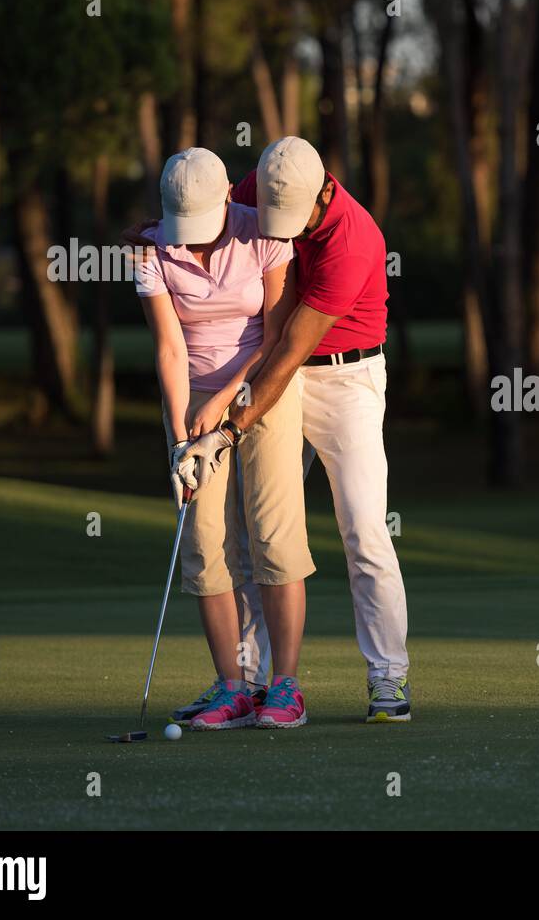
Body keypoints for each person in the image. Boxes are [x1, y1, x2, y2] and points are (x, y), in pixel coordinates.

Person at [176, 137, 413, 723]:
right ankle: (250, 682)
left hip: (344, 380)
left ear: (323, 190)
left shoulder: (355, 240)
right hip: (267, 376)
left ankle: (388, 679)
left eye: (294, 222)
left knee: (363, 531)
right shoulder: (263, 185)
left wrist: (226, 432)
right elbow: (216, 219)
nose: (281, 234)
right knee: (262, 532)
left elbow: (290, 350)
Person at [136, 146, 315, 730]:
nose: (193, 242)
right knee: (204, 540)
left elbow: (276, 334)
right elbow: (168, 347)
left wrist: (224, 401)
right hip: (191, 403)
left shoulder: (261, 234)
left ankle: (285, 687)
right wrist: (182, 425)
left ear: (225, 205)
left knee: (272, 530)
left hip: (262, 393)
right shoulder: (152, 250)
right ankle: (233, 687)